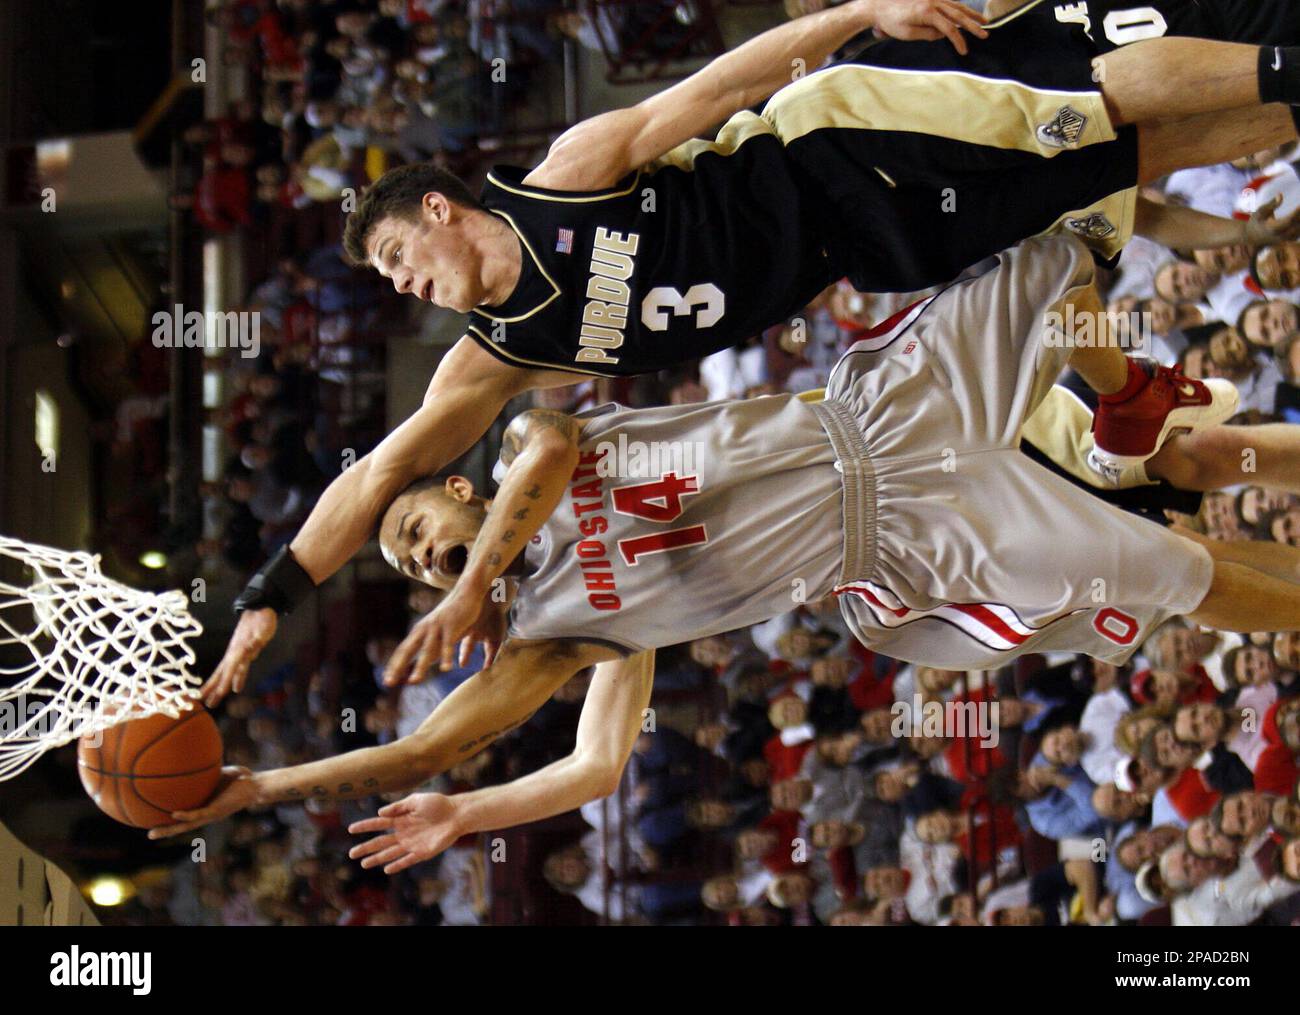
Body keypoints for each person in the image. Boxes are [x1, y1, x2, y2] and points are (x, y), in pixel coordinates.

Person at [204, 0, 1300, 703]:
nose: (400, 283)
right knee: (1121, 163)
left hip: (832, 136)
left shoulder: (563, 179)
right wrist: (271, 589)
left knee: (1082, 110)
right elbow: (376, 471)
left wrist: (861, 15)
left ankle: (1280, 62)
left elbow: (719, 88)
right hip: (869, 248)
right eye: (387, 282)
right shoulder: (497, 352)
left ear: (441, 210)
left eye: (397, 253)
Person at [153, 235, 1300, 862]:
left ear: (457, 493)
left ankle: (1128, 396)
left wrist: (482, 572)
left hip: (878, 408)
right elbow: (540, 762)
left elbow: (551, 447)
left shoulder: (521, 448)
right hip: (907, 535)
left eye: (412, 531)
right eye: (405, 565)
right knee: (1184, 581)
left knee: (1064, 249)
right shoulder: (569, 637)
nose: (417, 558)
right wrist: (271, 787)